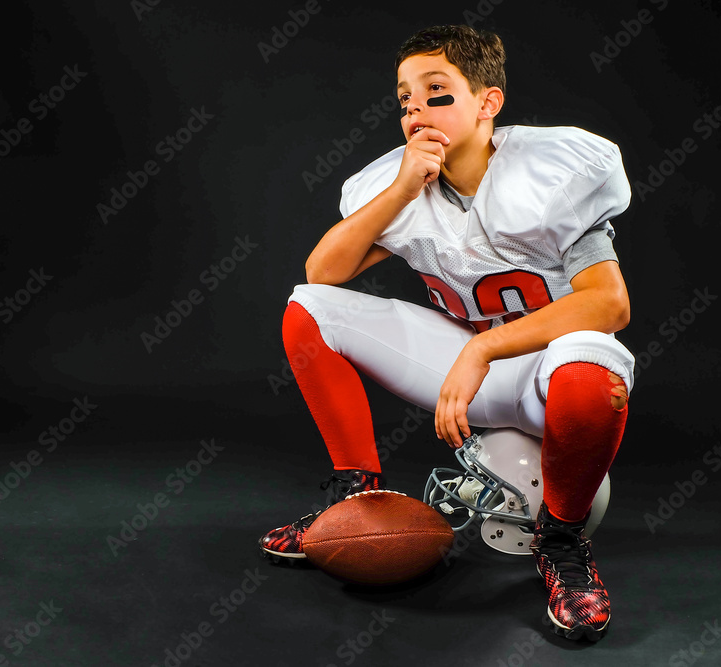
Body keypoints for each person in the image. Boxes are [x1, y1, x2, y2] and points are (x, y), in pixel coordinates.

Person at [259, 24, 635, 642]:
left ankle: (561, 544)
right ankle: (356, 495)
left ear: (488, 102)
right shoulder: (401, 177)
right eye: (404, 97)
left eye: (436, 91)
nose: (414, 108)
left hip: (550, 371)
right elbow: (322, 275)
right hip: (463, 362)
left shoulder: (553, 170)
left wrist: (484, 348)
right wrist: (405, 189)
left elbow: (610, 303)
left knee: (594, 367)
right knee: (310, 309)